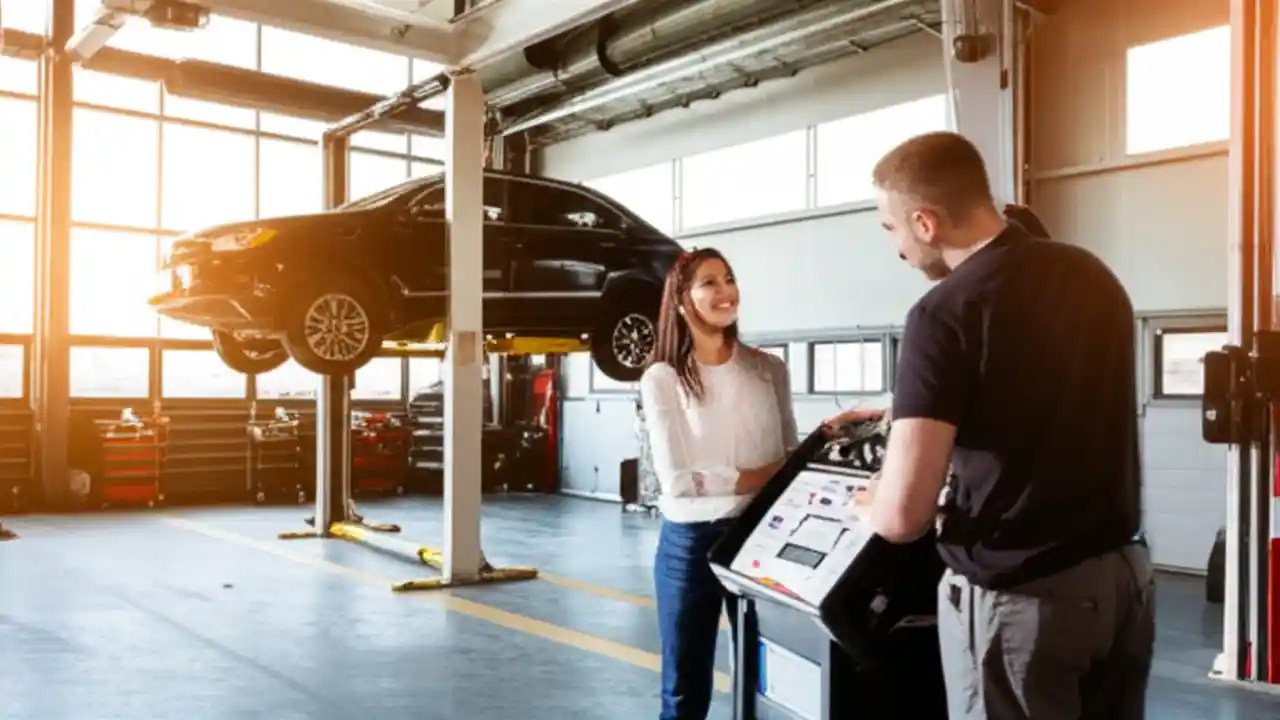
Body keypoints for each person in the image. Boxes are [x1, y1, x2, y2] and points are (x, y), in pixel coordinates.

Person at [828, 131, 1154, 719]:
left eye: (890, 228)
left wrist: (869, 502)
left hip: (1023, 599)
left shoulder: (942, 313)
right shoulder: (1092, 276)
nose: (895, 246)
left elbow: (903, 518)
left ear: (925, 223)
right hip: (1123, 581)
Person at [640, 247, 798, 720]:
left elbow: (790, 451)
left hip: (760, 534)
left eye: (728, 279)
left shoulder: (768, 369)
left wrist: (752, 475)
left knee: (763, 679)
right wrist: (766, 473)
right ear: (684, 300)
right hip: (690, 544)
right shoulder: (663, 378)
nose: (726, 291)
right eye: (710, 282)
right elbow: (681, 483)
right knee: (685, 690)